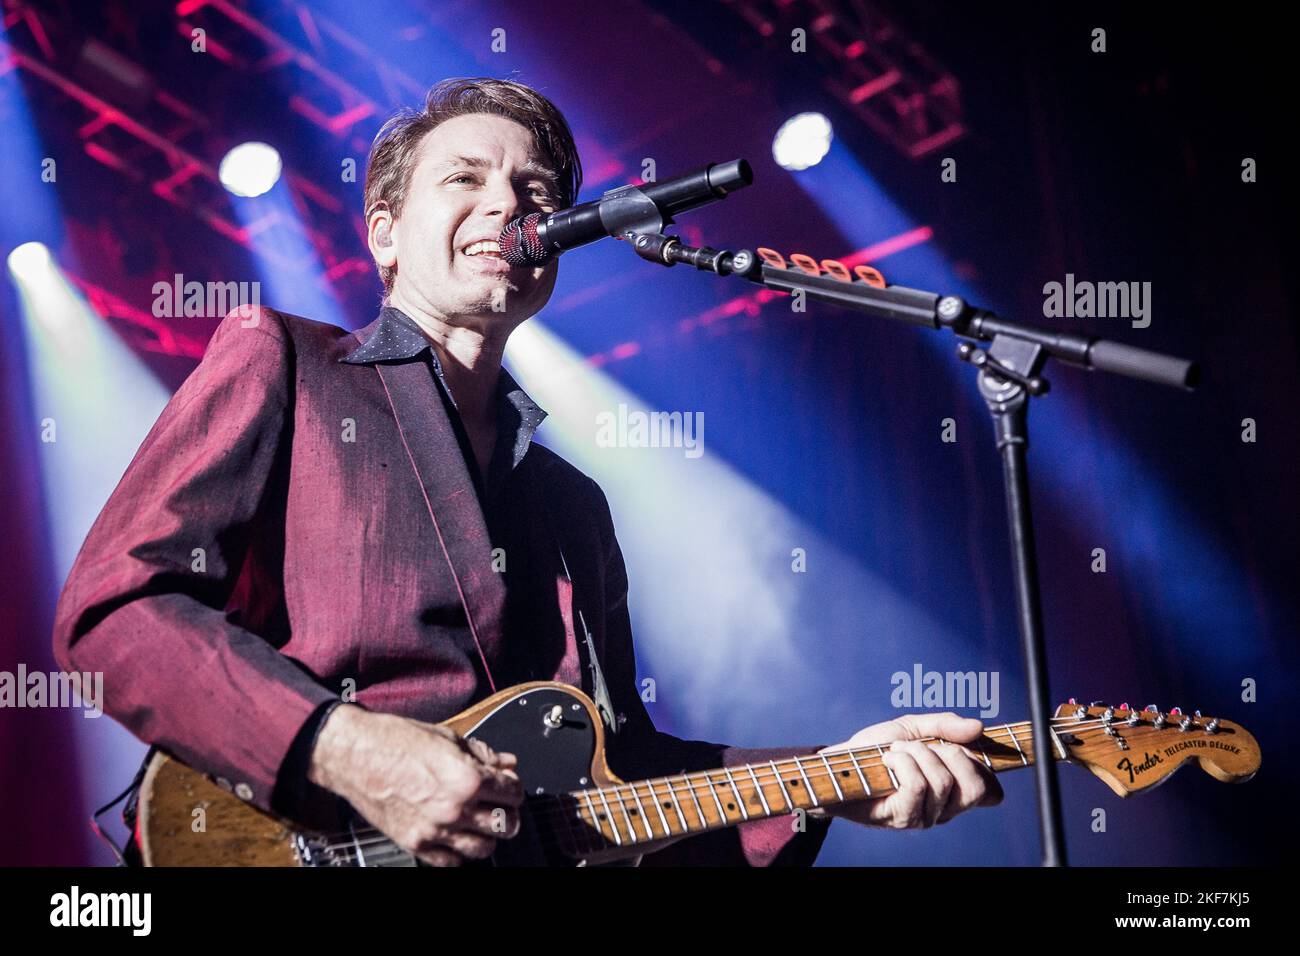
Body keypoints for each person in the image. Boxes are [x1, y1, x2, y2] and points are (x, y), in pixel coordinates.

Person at [53, 77, 1001, 867]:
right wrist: (342, 748)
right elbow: (114, 609)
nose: (510, 204)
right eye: (464, 178)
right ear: (384, 234)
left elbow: (618, 770)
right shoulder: (287, 364)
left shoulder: (571, 506)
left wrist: (835, 777)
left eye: (536, 190)